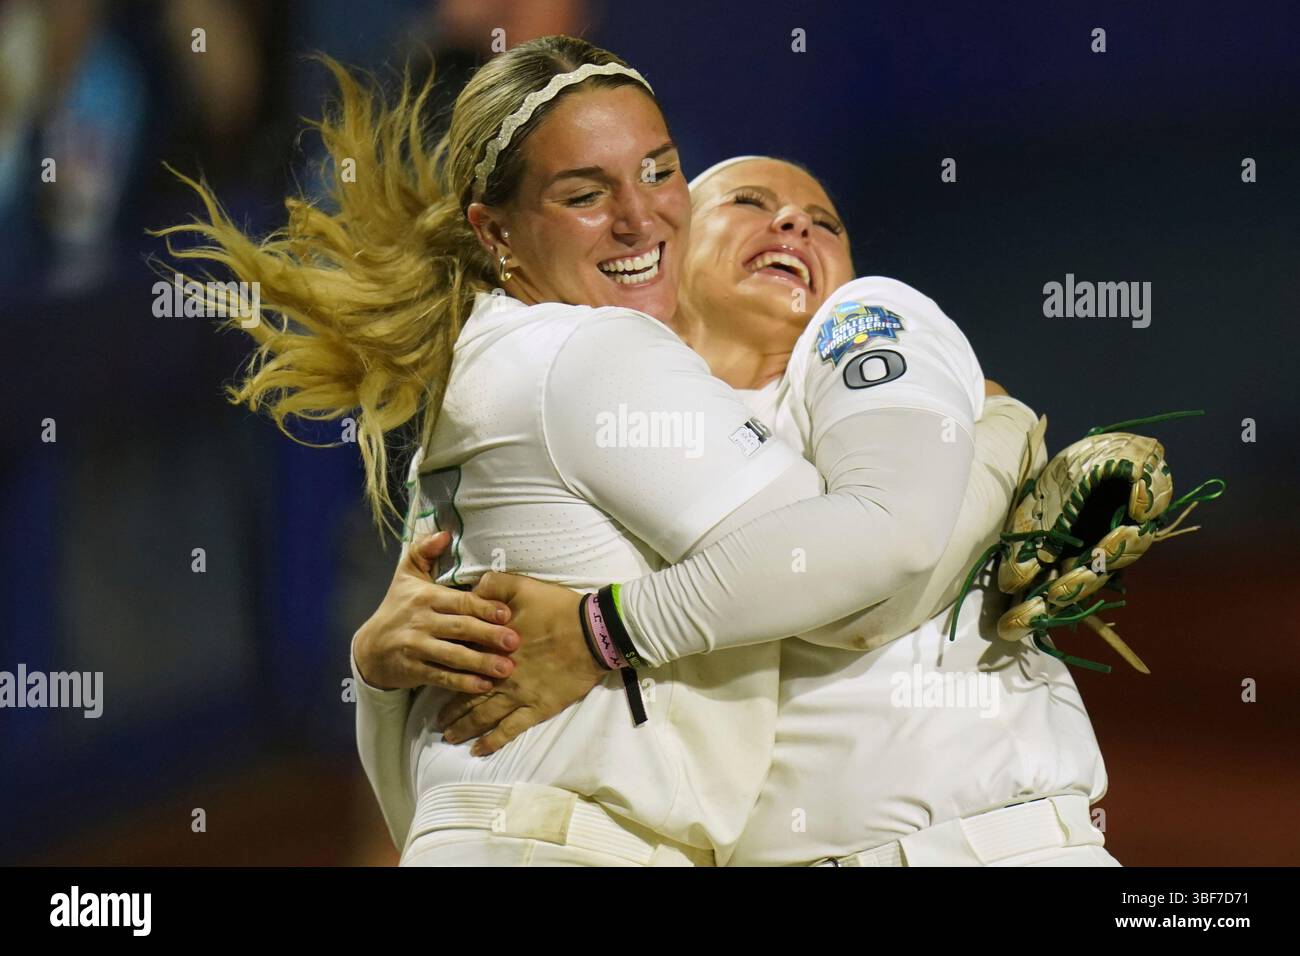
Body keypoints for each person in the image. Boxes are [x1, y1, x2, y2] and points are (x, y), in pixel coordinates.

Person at [161, 36, 1033, 867]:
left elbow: (412, 778)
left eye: (659, 171)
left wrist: (373, 671)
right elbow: (865, 580)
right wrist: (1005, 444)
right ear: (495, 231)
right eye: (584, 195)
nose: (638, 216)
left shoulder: (489, 362)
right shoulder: (593, 355)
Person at [415, 156, 1114, 867]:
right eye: (748, 202)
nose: (792, 223)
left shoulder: (857, 323)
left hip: (977, 848)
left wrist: (1005, 432)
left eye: (825, 225)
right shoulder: (622, 425)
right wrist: (377, 654)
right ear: (667, 247)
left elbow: (883, 586)